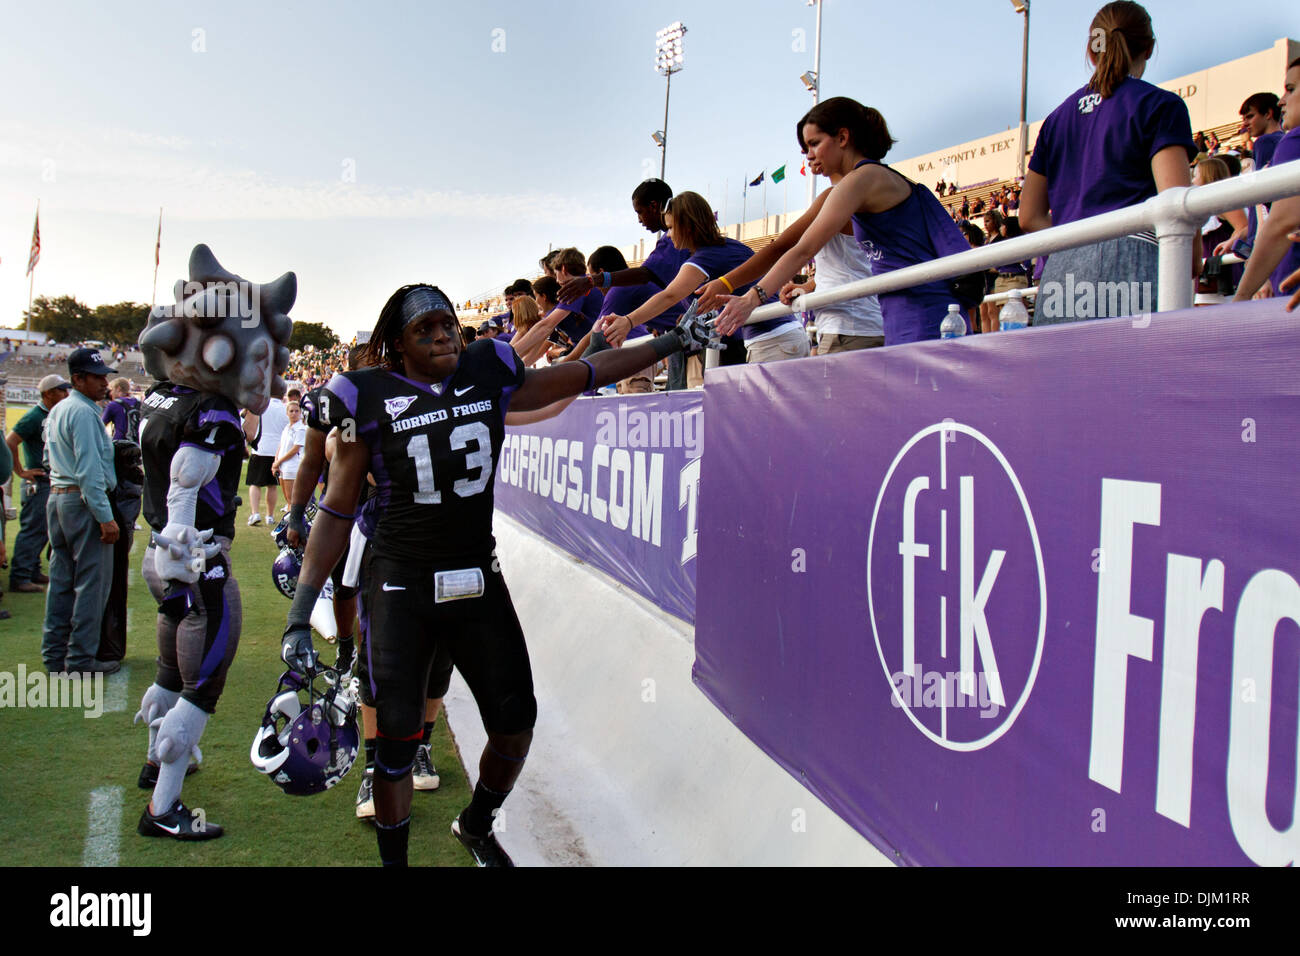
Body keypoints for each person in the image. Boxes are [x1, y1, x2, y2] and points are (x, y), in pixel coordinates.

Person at [284, 283, 717, 866]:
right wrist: (297, 613)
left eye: (447, 324)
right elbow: (337, 511)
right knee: (393, 742)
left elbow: (586, 372)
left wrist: (671, 340)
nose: (442, 335)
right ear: (399, 344)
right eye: (424, 330)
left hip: (475, 576)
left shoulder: (487, 370)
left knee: (516, 723)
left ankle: (478, 823)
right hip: (399, 584)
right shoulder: (370, 395)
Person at [134, 243, 297, 841]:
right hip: (193, 558)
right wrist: (183, 547)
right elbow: (185, 480)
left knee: (170, 673)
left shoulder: (159, 397)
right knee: (203, 685)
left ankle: (156, 763)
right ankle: (163, 809)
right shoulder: (214, 414)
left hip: (157, 557)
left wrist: (169, 546)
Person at [715, 97, 978, 344]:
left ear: (842, 137)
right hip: (906, 311)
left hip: (923, 312)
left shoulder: (862, 180)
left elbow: (803, 249)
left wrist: (752, 298)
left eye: (815, 143)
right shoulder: (872, 179)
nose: (809, 155)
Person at [1019, 1, 1196, 323]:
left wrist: (1078, 239)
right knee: (1133, 372)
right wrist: (1191, 257)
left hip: (1063, 267)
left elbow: (1028, 216)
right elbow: (1176, 203)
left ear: (1091, 51)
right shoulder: (1159, 104)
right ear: (1149, 48)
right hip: (1132, 257)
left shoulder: (1056, 119)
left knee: (1064, 373)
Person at [602, 191, 807, 363]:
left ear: (688, 226)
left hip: (773, 340)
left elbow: (670, 296)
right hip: (783, 336)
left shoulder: (706, 257)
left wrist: (628, 321)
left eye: (672, 227)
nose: (669, 234)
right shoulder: (727, 247)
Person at [557, 178, 693, 388]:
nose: (639, 220)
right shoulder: (668, 247)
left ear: (654, 206)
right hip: (677, 341)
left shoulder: (621, 290)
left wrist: (563, 370)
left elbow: (596, 336)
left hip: (685, 343)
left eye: (639, 211)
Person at [40, 349, 120, 675]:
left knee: (60, 581)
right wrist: (105, 517)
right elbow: (89, 473)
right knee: (91, 584)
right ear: (78, 379)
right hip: (82, 501)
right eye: (97, 377)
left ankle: (54, 655)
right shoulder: (85, 413)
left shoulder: (59, 409)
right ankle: (80, 661)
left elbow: (49, 459)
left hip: (58, 497)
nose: (105, 382)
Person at [1233, 58, 1300, 301]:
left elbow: (1278, 219)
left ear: (1268, 114)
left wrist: (1242, 294)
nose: (1282, 99)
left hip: (1287, 269)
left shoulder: (1285, 141)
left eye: (1290, 89)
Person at [6, 375, 70, 593]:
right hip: (37, 481)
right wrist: (21, 471)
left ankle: (32, 570)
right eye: (61, 390)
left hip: (47, 479)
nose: (66, 394)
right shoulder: (35, 416)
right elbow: (10, 441)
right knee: (33, 529)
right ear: (48, 393)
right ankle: (20, 576)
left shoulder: (52, 414)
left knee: (43, 529)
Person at [242, 394, 287, 525]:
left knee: (255, 484)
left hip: (260, 447)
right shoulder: (284, 408)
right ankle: (270, 516)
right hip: (277, 450)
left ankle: (255, 513)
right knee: (272, 485)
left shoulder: (262, 406)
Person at [271, 400, 305, 509]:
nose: (294, 413)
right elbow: (281, 446)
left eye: (296, 411)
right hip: (282, 465)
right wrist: (276, 462)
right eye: (291, 411)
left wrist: (279, 461)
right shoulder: (286, 428)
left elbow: (295, 449)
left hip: (292, 466)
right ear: (287, 413)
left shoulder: (300, 429)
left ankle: (292, 523)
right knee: (287, 499)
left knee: (292, 500)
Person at [101, 377, 142, 443]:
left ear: (118, 389)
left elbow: (100, 426)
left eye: (111, 390)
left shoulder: (113, 405)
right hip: (136, 443)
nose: (110, 394)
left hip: (120, 443)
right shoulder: (138, 403)